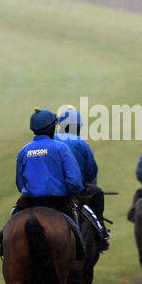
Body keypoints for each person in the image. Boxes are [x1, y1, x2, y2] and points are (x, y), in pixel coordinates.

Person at [13, 108, 88, 258]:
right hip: (58, 203)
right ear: (52, 128)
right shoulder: (61, 148)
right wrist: (71, 192)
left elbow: (20, 183)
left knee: (13, 218)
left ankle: (2, 245)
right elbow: (74, 181)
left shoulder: (23, 151)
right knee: (75, 227)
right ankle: (79, 250)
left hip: (31, 203)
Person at [56, 104, 109, 250]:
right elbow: (91, 171)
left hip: (50, 189)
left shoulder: (51, 139)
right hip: (75, 190)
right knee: (97, 193)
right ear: (78, 127)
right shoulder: (81, 143)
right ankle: (101, 232)